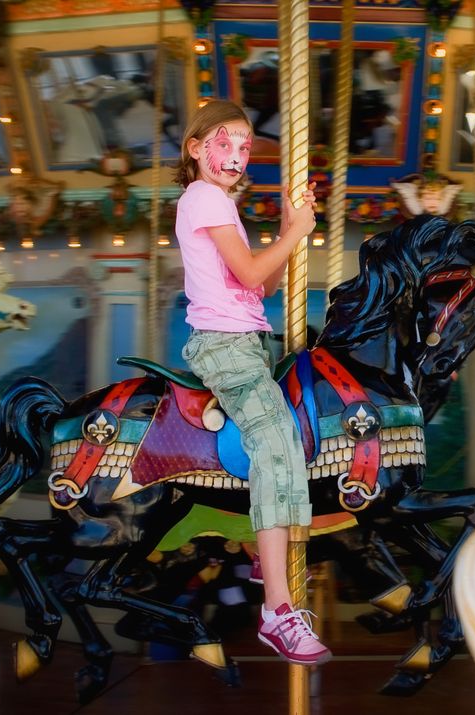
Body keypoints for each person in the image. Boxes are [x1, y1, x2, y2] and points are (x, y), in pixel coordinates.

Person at [175, 99, 331, 666]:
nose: (237, 156)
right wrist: (298, 232)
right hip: (226, 350)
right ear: (195, 147)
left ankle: (269, 559)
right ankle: (276, 612)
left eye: (244, 148)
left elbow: (254, 289)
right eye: (225, 142)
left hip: (246, 344)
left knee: (293, 436)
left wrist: (290, 231)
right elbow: (252, 272)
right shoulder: (204, 196)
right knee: (276, 445)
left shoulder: (217, 205)